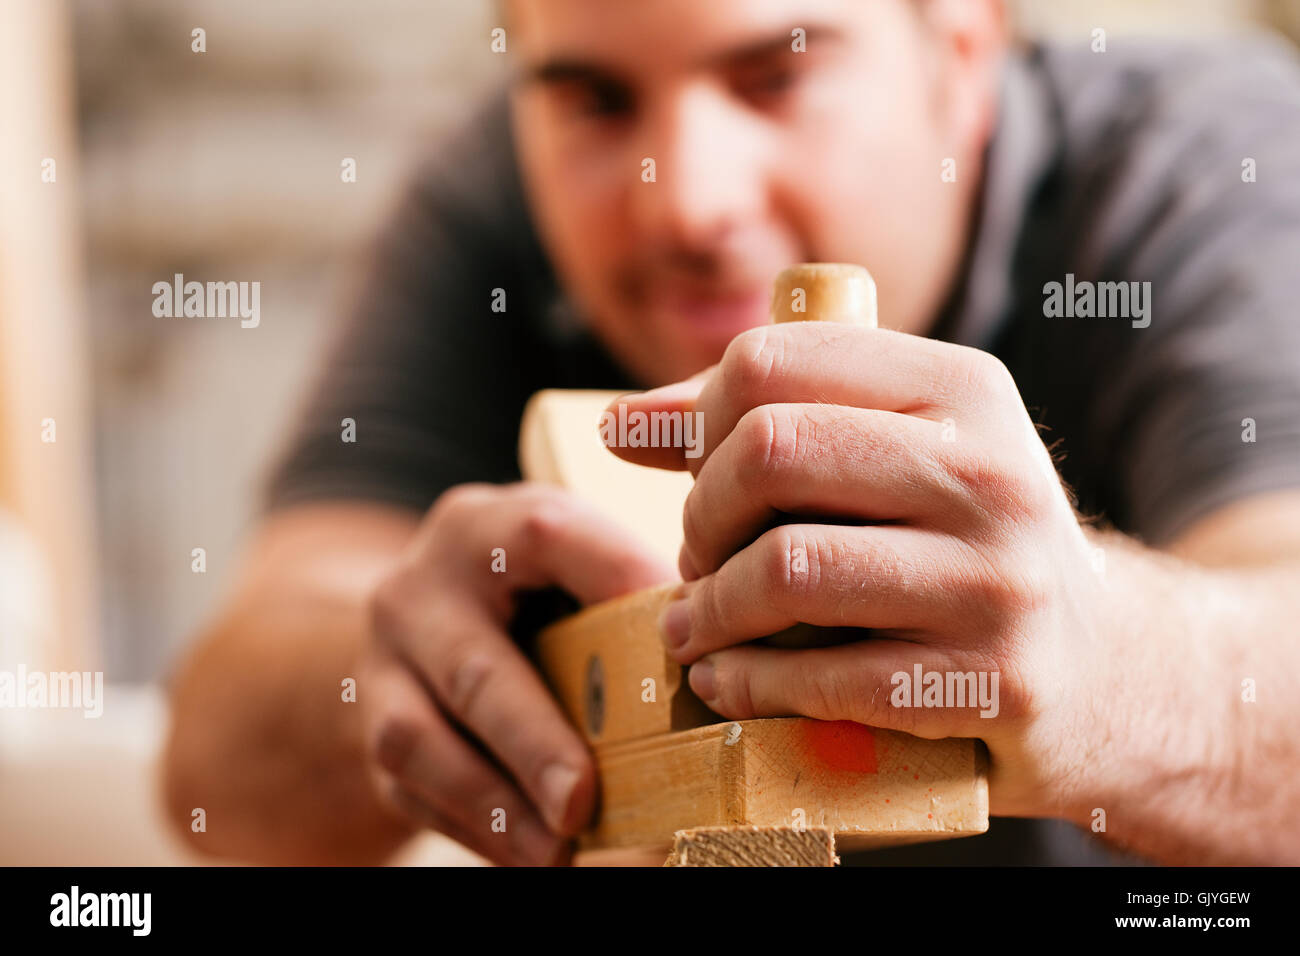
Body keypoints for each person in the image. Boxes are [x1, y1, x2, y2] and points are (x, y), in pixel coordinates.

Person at [162, 0, 1300, 866]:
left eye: (778, 75)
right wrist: (391, 661)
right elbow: (213, 763)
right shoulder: (492, 192)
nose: (686, 202)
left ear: (961, 57)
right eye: (596, 101)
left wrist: (1107, 664)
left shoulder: (1200, 166)